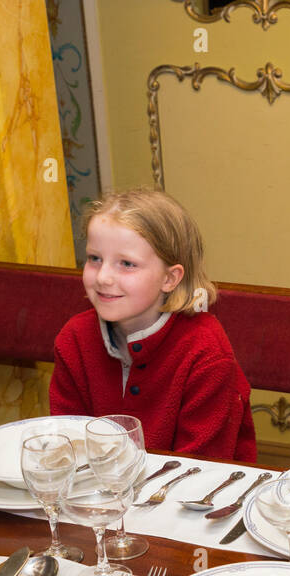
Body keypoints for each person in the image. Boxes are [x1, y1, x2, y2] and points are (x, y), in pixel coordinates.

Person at [49, 187, 257, 461]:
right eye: (94, 259)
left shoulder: (206, 353)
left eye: (126, 263)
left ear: (170, 279)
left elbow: (204, 469)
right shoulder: (75, 338)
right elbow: (67, 441)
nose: (103, 277)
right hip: (100, 493)